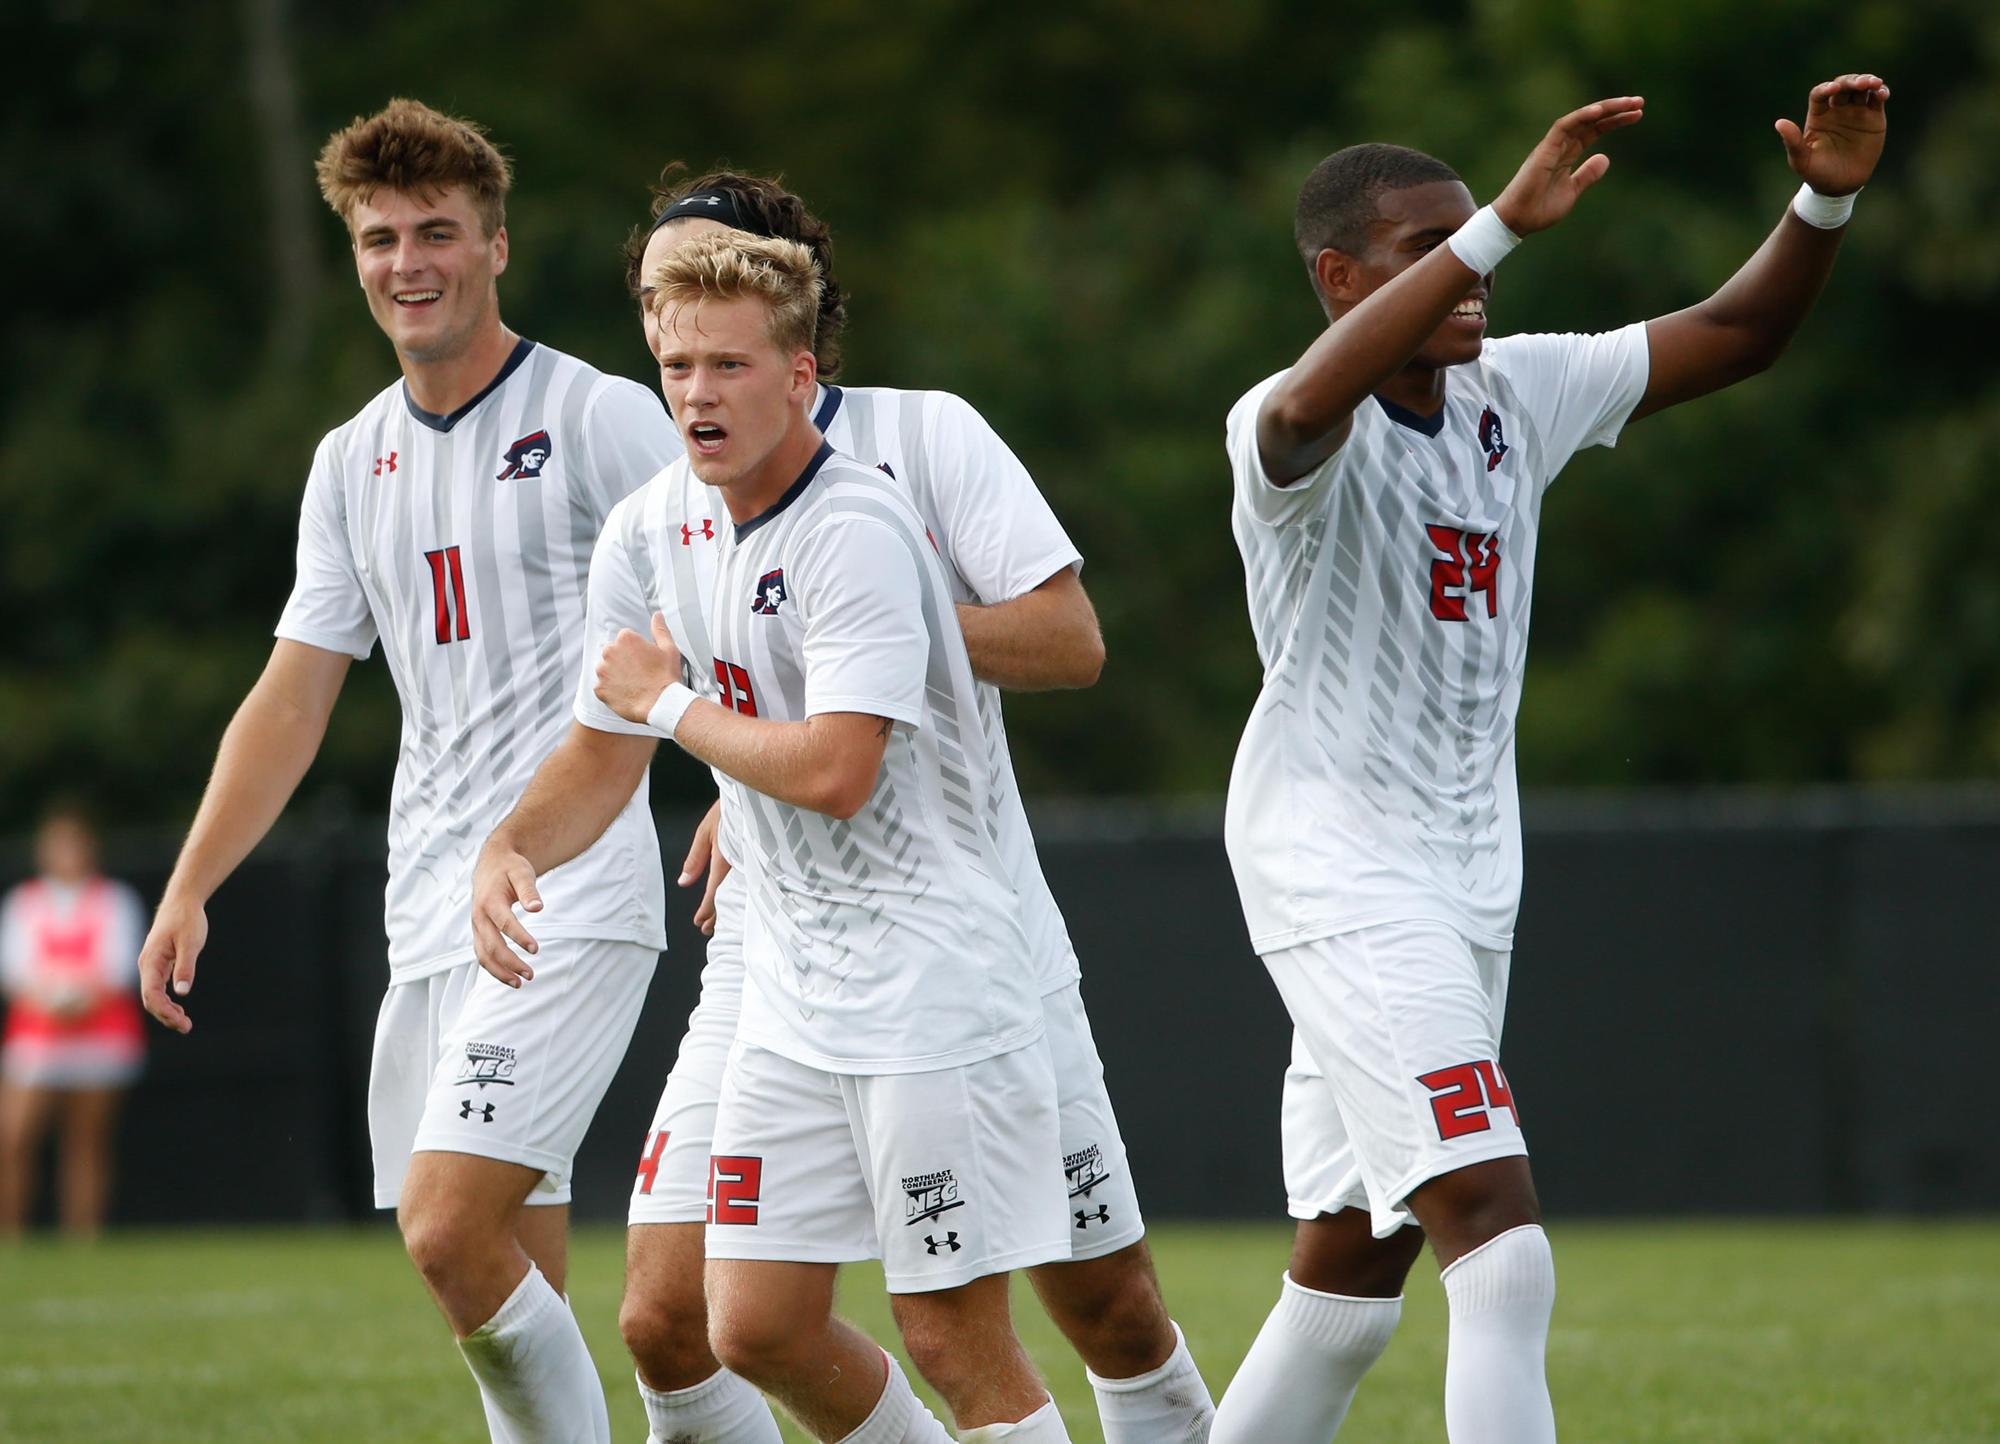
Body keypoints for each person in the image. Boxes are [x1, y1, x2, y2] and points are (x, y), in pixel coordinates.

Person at [475, 171, 1213, 1444]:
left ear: (797, 336)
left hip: (946, 960)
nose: (694, 379)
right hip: (781, 966)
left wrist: (783, 698)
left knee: (1077, 1308)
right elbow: (612, 736)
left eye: (723, 349)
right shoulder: (652, 523)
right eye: (670, 342)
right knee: (728, 1321)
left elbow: (862, 747)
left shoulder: (887, 478)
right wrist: (511, 843)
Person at [1212, 77, 1889, 1444]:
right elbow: (1302, 409)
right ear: (1339, 278)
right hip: (1339, 869)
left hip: (1466, 878)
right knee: (1500, 1246)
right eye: (1432, 249)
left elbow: (1738, 331)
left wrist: (1823, 202)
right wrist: (1503, 228)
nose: (1473, 274)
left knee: (1350, 1276)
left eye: (1475, 243)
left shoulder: (1513, 390)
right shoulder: (1282, 423)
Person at [134, 98, 679, 1443]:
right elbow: (293, 694)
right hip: (427, 908)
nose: (407, 262)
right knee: (497, 1283)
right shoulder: (350, 459)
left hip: (565, 887)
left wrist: (736, 787)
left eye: (437, 232)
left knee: (444, 1228)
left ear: (496, 245)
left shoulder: (596, 417)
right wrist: (191, 882)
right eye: (379, 238)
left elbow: (724, 595)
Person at [0, 802, 146, 1239]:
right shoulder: (24, 904)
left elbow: (119, 969)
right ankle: (11, 1236)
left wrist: (81, 999)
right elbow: (15, 973)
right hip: (37, 1041)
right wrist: (51, 1000)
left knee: (86, 1143)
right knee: (15, 1139)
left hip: (102, 1040)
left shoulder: (115, 901)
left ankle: (82, 1240)